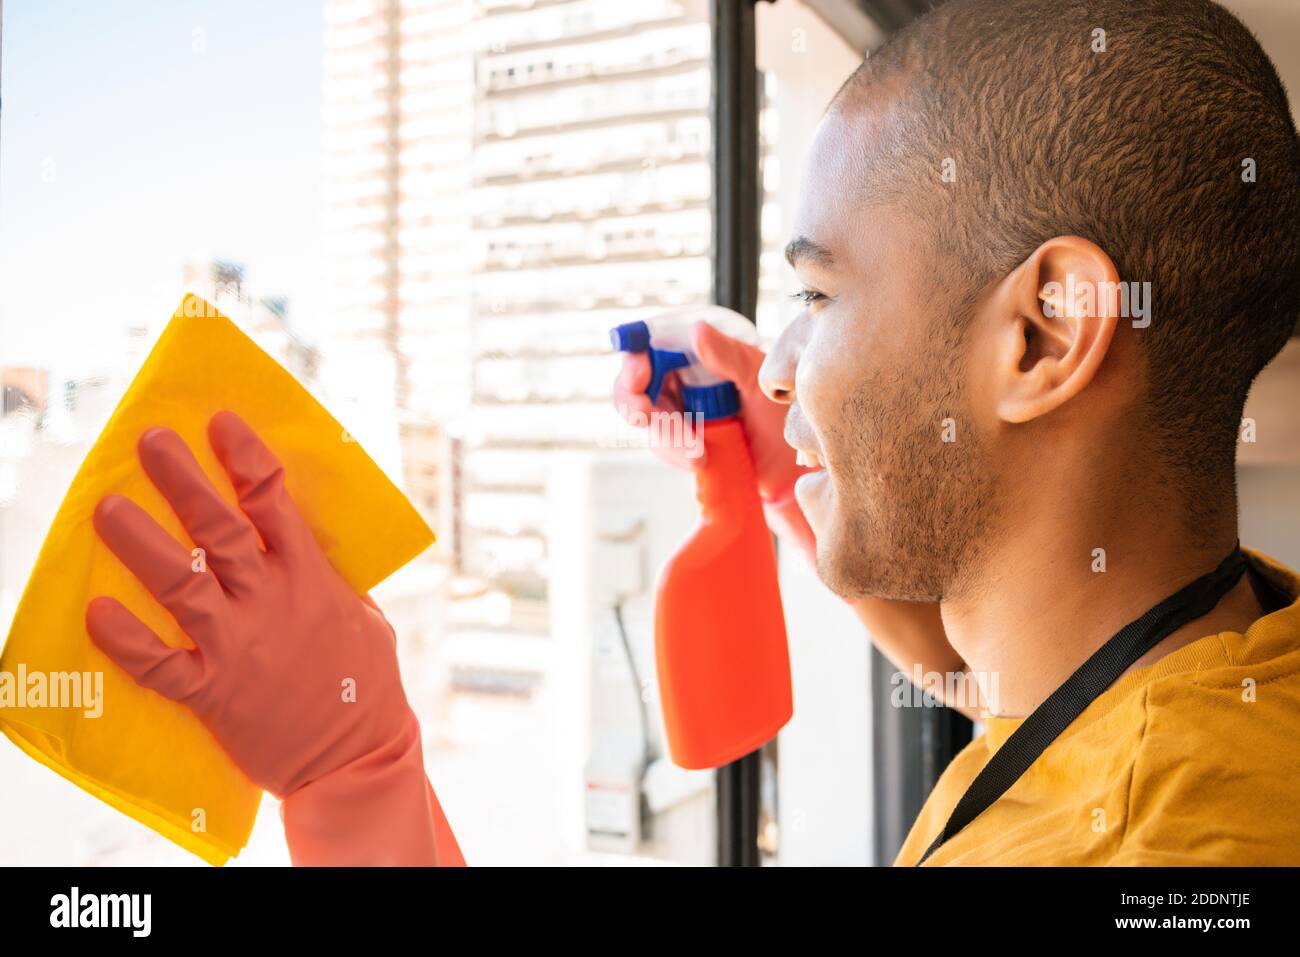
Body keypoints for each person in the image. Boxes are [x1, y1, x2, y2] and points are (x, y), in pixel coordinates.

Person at [89, 0, 1300, 865]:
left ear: (1043, 335)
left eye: (818, 297)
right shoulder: (1230, 662)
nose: (772, 366)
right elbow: (1019, 709)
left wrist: (347, 777)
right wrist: (794, 487)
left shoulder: (1167, 846)